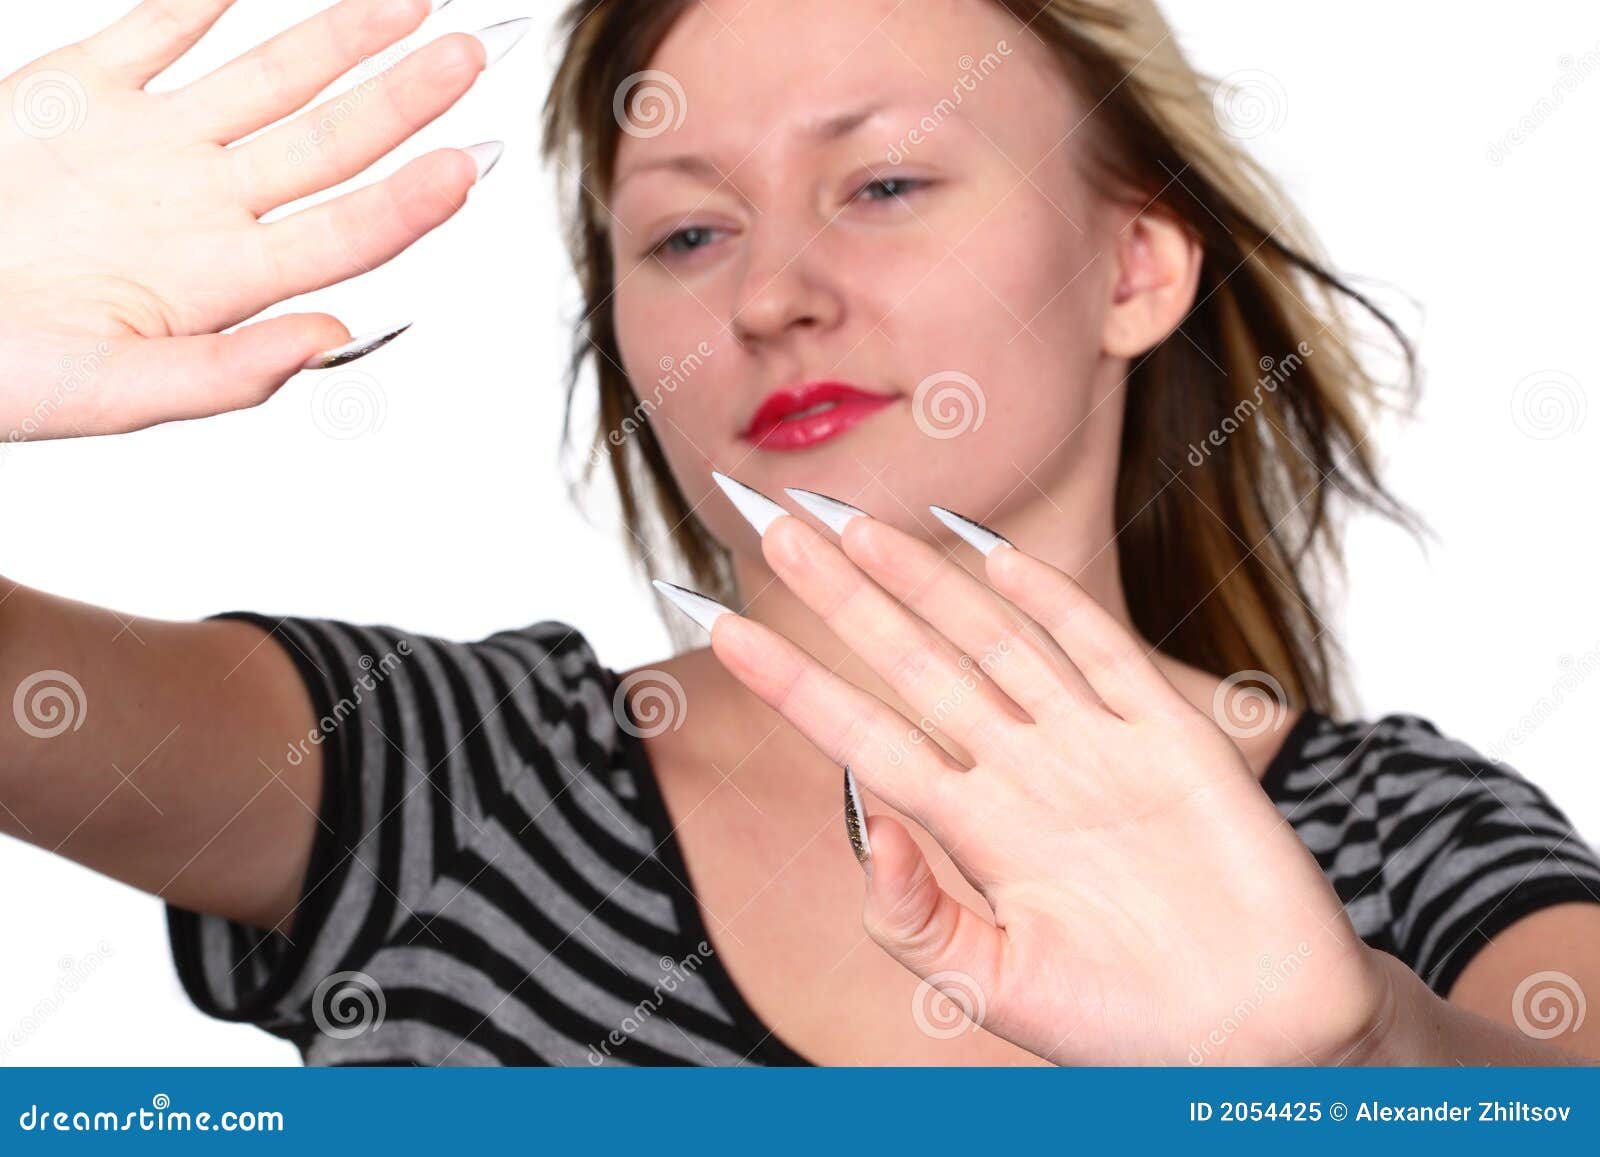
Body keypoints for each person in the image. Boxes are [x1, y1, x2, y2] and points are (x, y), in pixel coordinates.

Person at [2, 0, 1597, 1067]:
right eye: (688, 231)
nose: (770, 295)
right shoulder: (442, 775)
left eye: (885, 182)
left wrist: (1363, 1060)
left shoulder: (1406, 839)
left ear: (1136, 269)